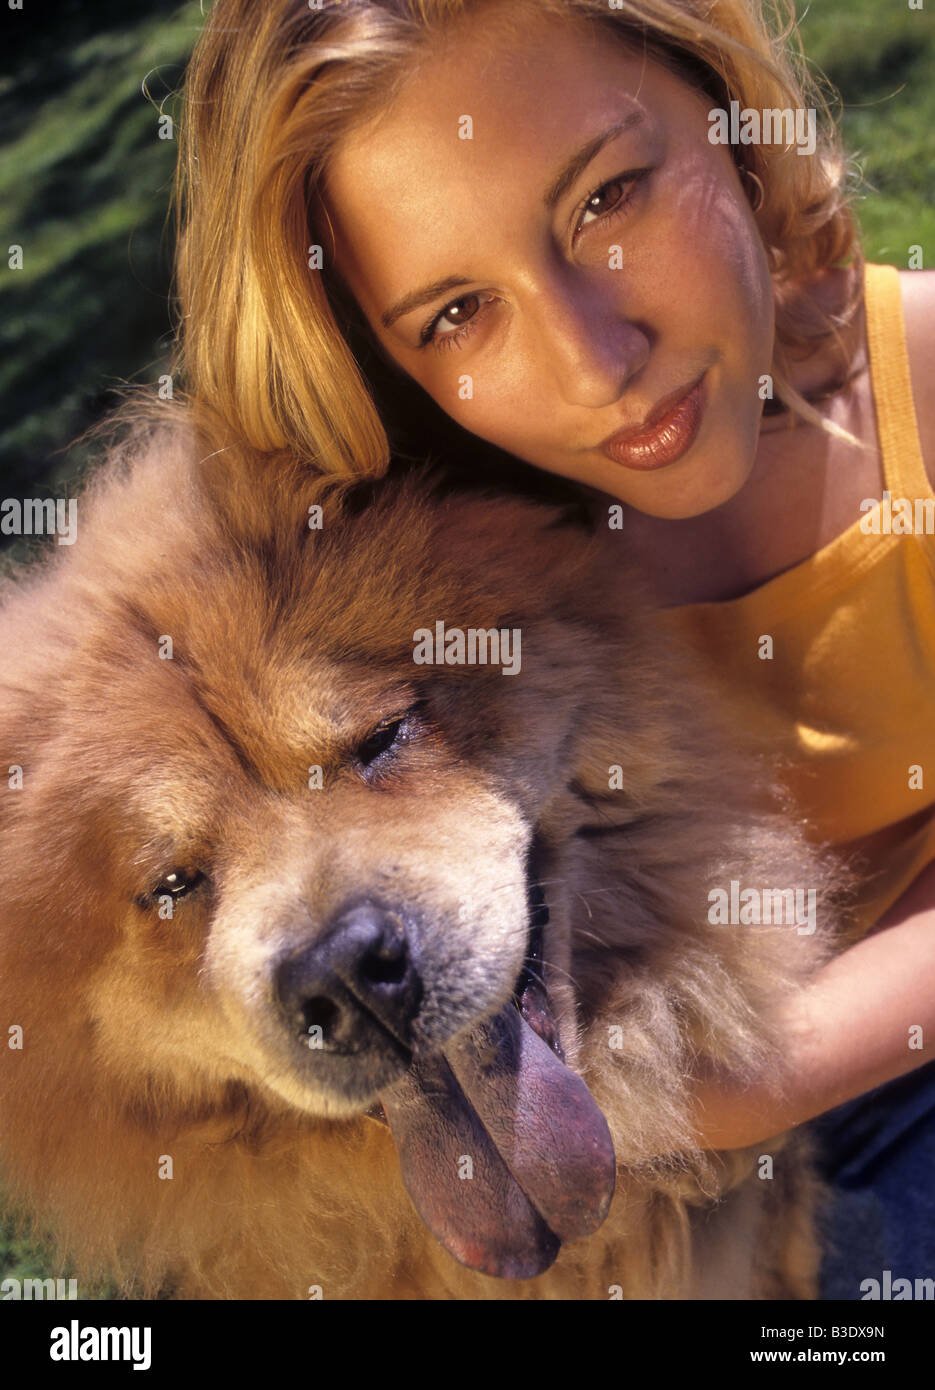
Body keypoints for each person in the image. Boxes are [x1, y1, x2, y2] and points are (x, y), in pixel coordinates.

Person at [168, 0, 935, 1298]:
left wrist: (757, 1079)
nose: (596, 365)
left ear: (727, 96)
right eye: (459, 311)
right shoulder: (442, 585)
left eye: (609, 197)